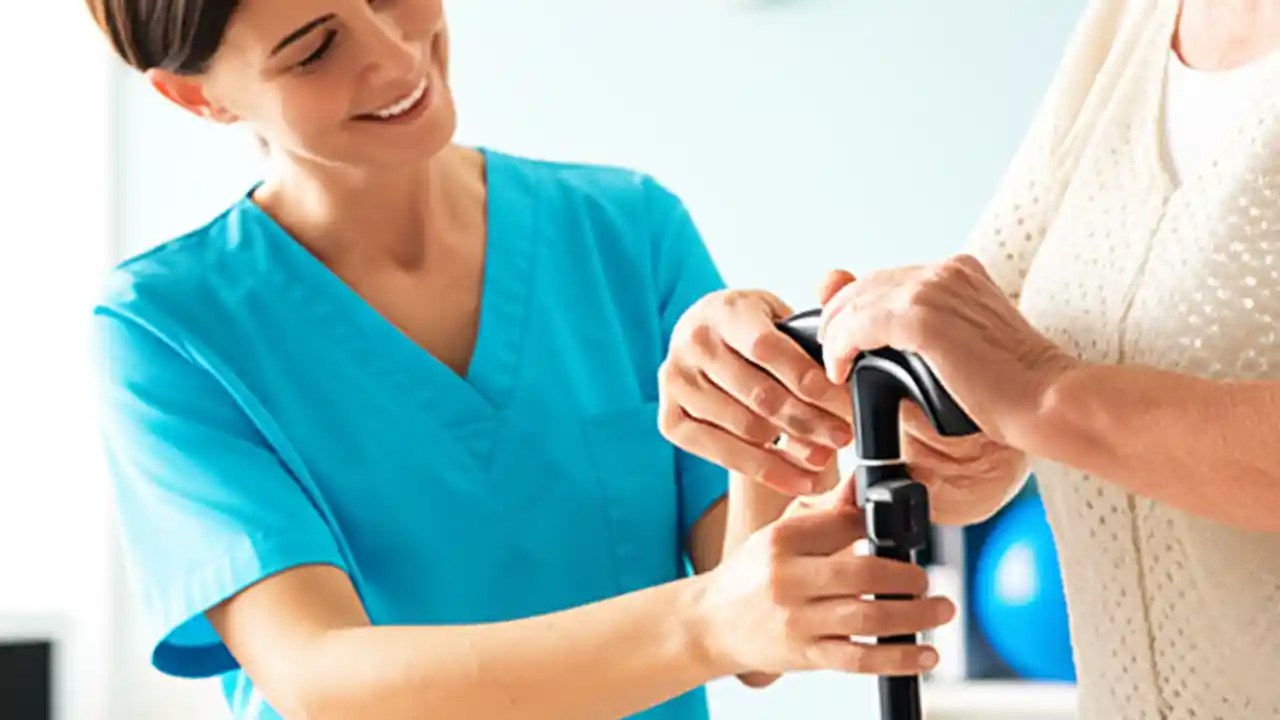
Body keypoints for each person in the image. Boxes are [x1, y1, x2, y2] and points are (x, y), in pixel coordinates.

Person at [86, 1, 958, 718]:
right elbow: (321, 678)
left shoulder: (631, 233)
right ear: (199, 99)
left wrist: (763, 398)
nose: (396, 58)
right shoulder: (167, 329)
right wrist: (705, 626)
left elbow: (756, 635)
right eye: (314, 49)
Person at [659, 0, 1280, 717]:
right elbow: (979, 405)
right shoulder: (1130, 23)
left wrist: (1046, 396)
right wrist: (780, 372)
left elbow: (1033, 387)